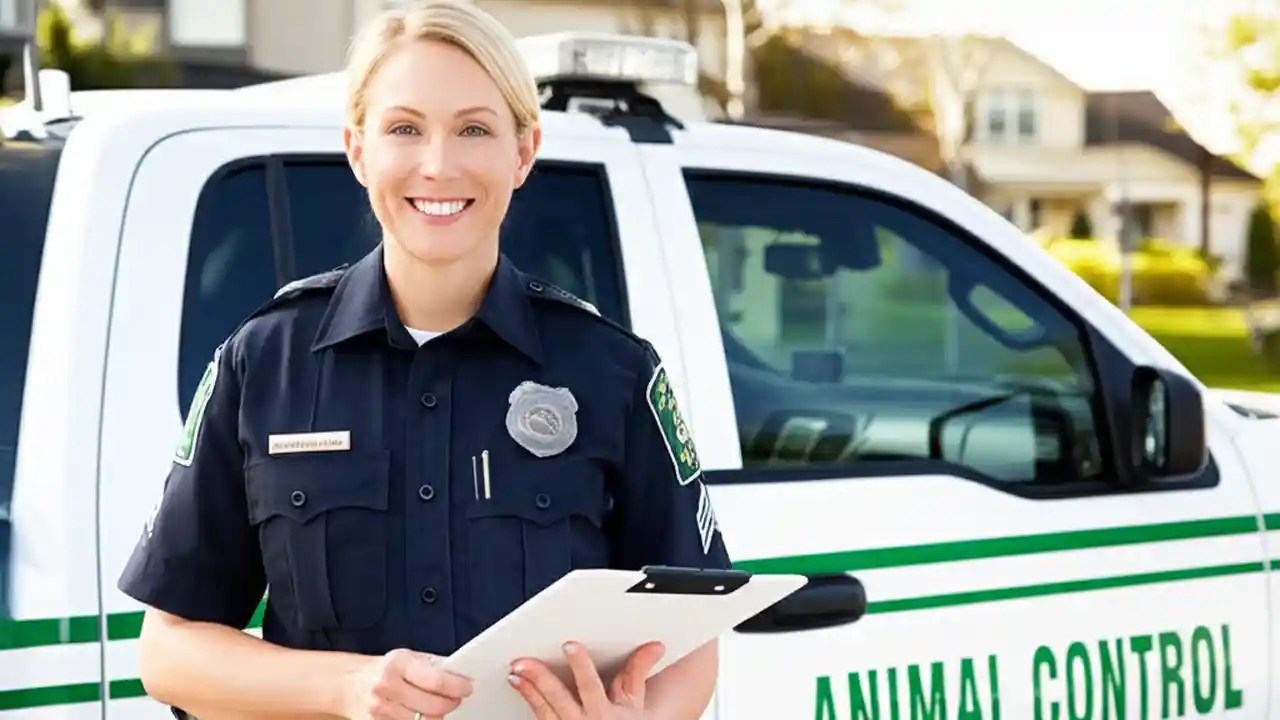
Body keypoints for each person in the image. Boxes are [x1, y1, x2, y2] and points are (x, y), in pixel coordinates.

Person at [115, 1, 734, 718]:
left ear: (523, 152)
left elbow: (690, 633)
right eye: (404, 129)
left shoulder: (612, 372)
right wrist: (345, 688)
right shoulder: (264, 363)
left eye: (474, 129)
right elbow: (168, 648)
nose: (438, 166)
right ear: (358, 150)